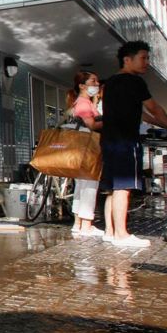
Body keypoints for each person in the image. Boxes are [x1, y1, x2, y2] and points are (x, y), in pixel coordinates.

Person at [99, 40, 167, 248]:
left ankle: (110, 231)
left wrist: (162, 123)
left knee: (113, 189)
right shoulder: (135, 82)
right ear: (127, 59)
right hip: (126, 141)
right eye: (143, 58)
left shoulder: (110, 83)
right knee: (124, 187)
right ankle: (121, 235)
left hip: (108, 141)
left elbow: (140, 112)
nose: (147, 63)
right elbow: (155, 108)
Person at [66, 71, 103, 237]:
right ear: (82, 85)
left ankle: (78, 223)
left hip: (79, 149)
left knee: (81, 186)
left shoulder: (80, 102)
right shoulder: (83, 103)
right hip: (88, 148)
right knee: (89, 185)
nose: (97, 84)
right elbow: (92, 125)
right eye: (93, 81)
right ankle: (86, 224)